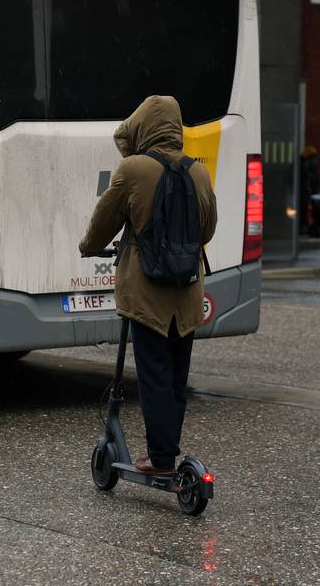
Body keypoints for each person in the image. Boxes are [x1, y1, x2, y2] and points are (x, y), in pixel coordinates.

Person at [78, 95, 217, 475]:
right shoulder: (198, 172)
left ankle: (160, 460)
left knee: (153, 375)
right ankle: (165, 452)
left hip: (146, 293)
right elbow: (207, 228)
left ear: (143, 126)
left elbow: (103, 222)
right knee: (174, 378)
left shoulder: (134, 169)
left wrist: (88, 247)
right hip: (187, 291)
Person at [299, 145, 320, 234]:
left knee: (304, 211)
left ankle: (306, 228)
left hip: (305, 191)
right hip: (309, 190)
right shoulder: (312, 162)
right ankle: (311, 228)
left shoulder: (306, 163)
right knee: (309, 211)